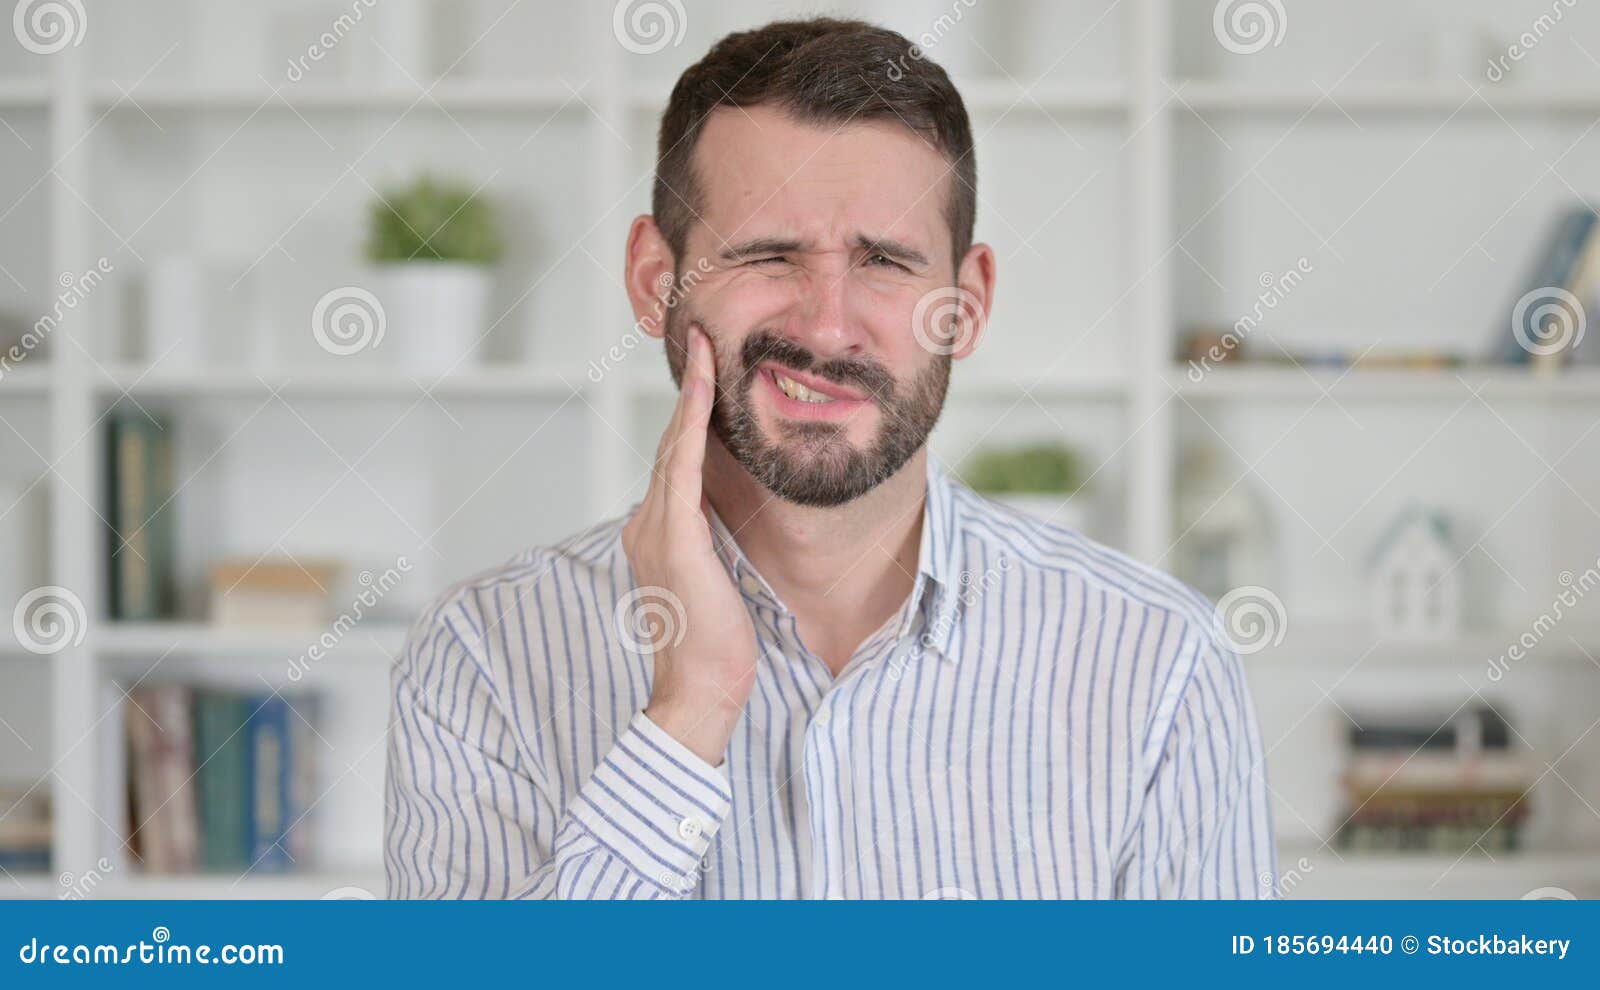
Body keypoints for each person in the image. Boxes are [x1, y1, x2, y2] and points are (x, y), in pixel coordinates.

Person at [385, 17, 1275, 899]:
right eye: (768, 254)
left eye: (885, 261)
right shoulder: (483, 659)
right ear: (657, 282)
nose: (827, 324)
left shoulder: (1161, 663)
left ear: (965, 305)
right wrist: (690, 712)